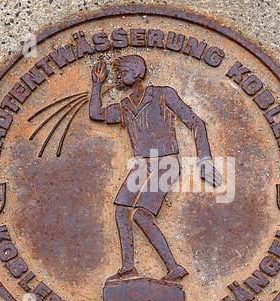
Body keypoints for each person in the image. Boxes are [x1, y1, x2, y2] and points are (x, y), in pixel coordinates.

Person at [89, 54, 222, 281]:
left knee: (141, 215)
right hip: (142, 164)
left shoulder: (163, 94)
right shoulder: (125, 106)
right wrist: (97, 85)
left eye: (122, 72)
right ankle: (128, 267)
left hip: (166, 162)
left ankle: (173, 267)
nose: (119, 77)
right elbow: (95, 114)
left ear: (137, 72)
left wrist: (204, 160)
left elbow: (195, 122)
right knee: (121, 210)